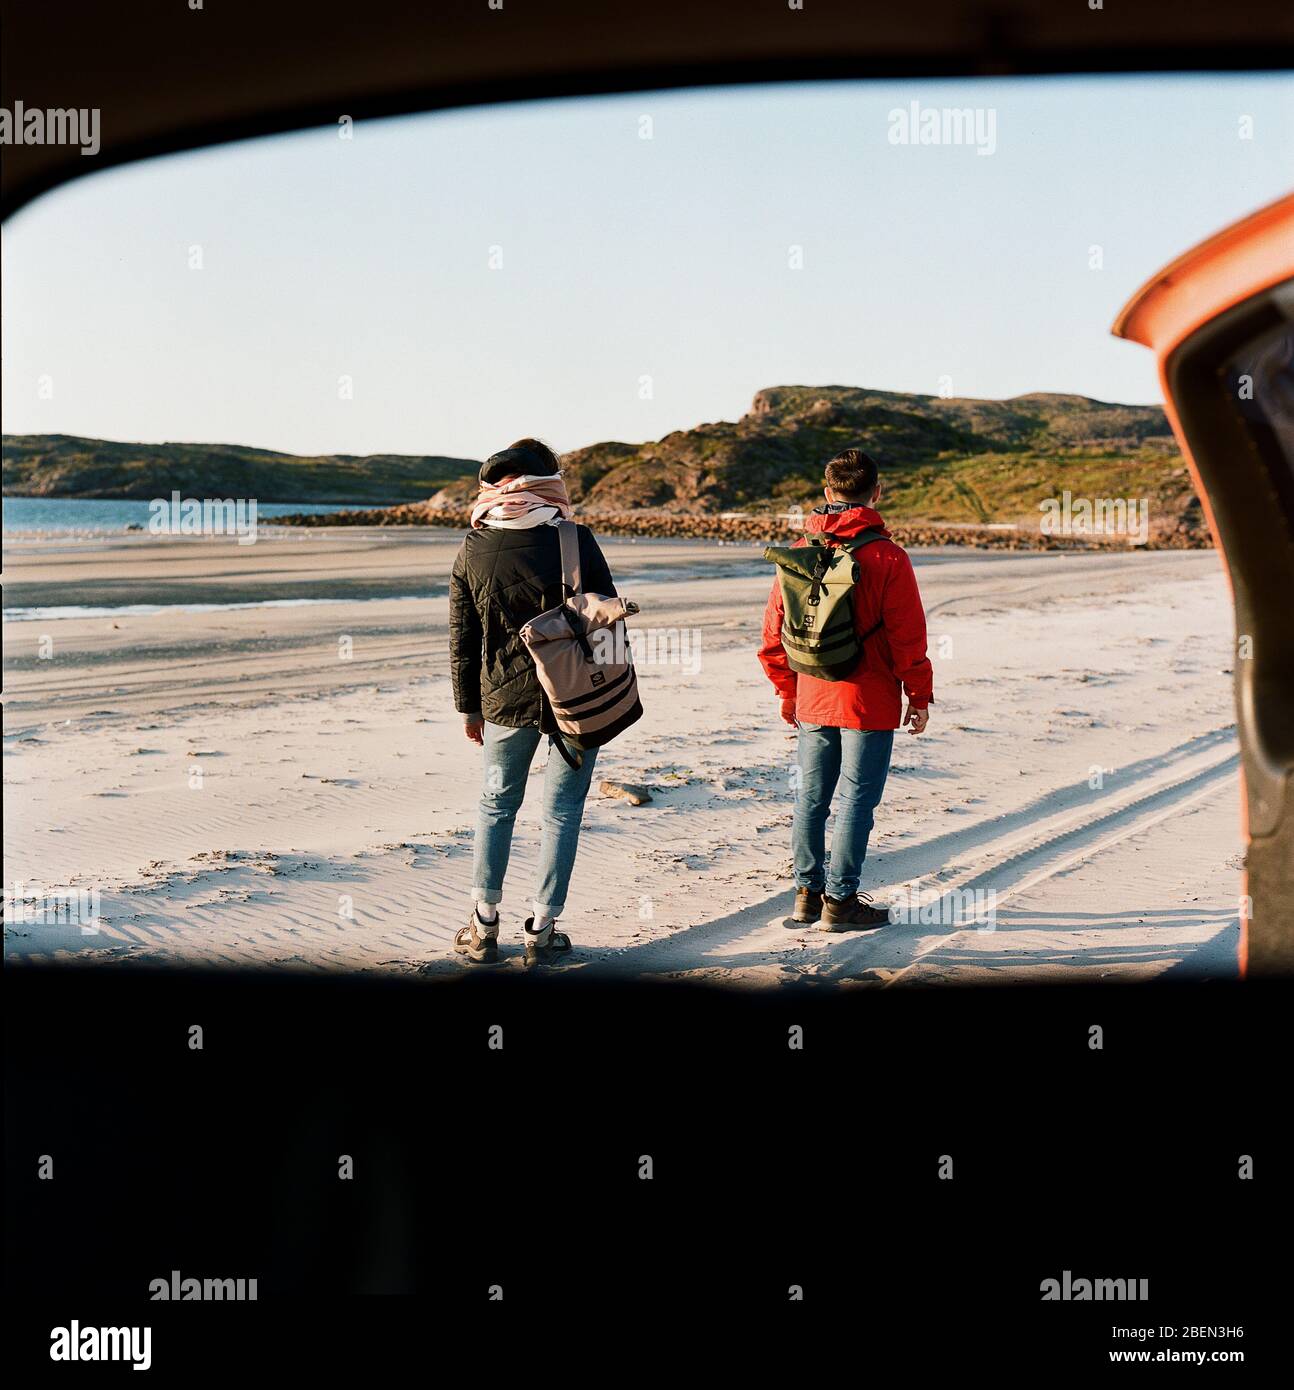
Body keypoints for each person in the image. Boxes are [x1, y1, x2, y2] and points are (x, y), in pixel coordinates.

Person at [449, 438, 617, 966]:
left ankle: (483, 928)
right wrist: (609, 695)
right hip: (577, 698)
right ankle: (543, 931)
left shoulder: (473, 548)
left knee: (496, 806)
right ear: (550, 482)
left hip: (503, 701)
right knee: (562, 813)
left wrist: (468, 708)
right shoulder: (575, 538)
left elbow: (463, 638)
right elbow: (608, 616)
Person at [758, 447, 934, 929]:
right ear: (876, 492)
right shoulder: (889, 557)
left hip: (813, 693)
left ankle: (805, 894)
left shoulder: (798, 552)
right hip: (869, 699)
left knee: (810, 798)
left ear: (826, 490)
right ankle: (840, 902)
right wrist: (918, 695)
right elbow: (907, 638)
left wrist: (787, 690)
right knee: (856, 799)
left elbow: (773, 633)